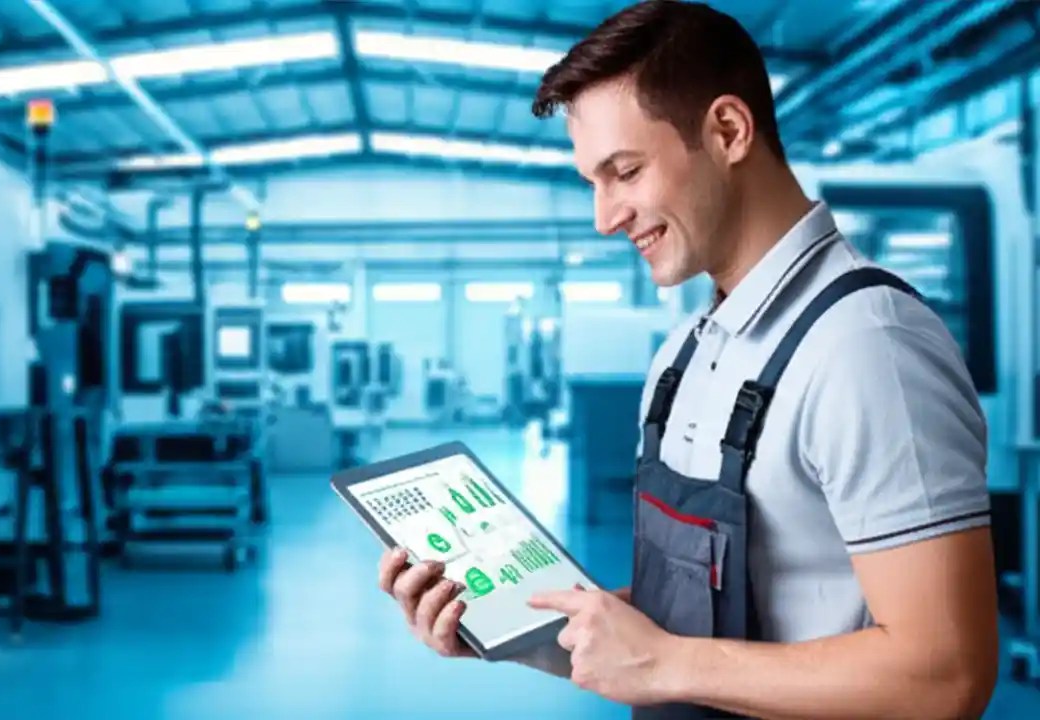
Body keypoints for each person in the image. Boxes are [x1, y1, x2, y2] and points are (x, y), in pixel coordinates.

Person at [376, 1, 999, 718]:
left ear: (728, 131)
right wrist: (512, 630)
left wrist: (665, 662)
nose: (604, 217)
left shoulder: (865, 346)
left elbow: (945, 675)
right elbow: (693, 628)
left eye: (626, 171)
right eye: (594, 183)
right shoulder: (686, 355)